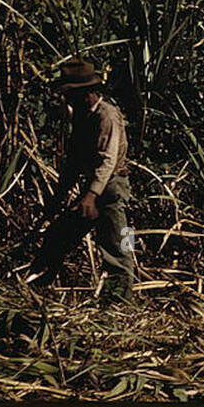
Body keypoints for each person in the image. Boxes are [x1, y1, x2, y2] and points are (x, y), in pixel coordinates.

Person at [26, 59, 137, 304]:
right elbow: (74, 161)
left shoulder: (106, 115)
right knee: (58, 234)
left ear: (85, 92)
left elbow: (107, 161)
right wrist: (58, 197)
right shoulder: (81, 116)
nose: (66, 99)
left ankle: (120, 304)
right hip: (93, 190)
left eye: (70, 94)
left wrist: (90, 196)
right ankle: (36, 286)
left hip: (111, 188)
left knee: (118, 247)